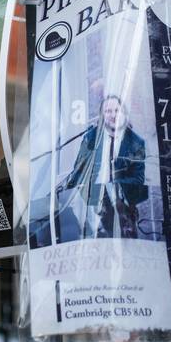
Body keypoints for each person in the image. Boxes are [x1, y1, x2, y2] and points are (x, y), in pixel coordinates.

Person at [63, 92, 147, 240]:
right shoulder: (90, 137)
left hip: (121, 206)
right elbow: (79, 171)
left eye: (117, 110)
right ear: (102, 115)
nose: (113, 115)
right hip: (92, 202)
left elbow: (138, 179)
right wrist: (67, 192)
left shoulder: (136, 142)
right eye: (108, 111)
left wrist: (111, 189)